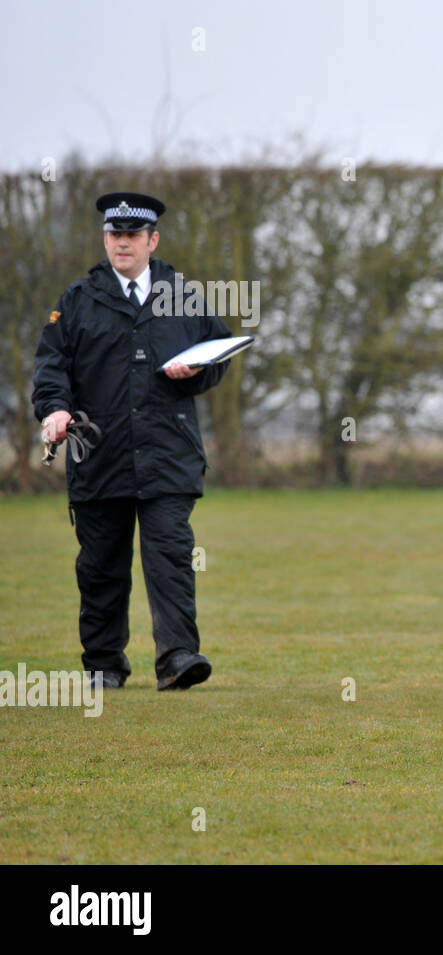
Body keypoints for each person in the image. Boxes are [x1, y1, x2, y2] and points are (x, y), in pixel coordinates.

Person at [32, 192, 233, 690]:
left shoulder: (182, 296)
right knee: (101, 565)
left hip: (169, 453)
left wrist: (197, 371)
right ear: (106, 239)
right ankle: (103, 665)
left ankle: (178, 657)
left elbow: (218, 354)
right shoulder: (76, 301)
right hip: (100, 455)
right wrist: (55, 409)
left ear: (152, 240)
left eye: (132, 235)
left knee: (170, 559)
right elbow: (50, 367)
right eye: (114, 235)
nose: (123, 243)